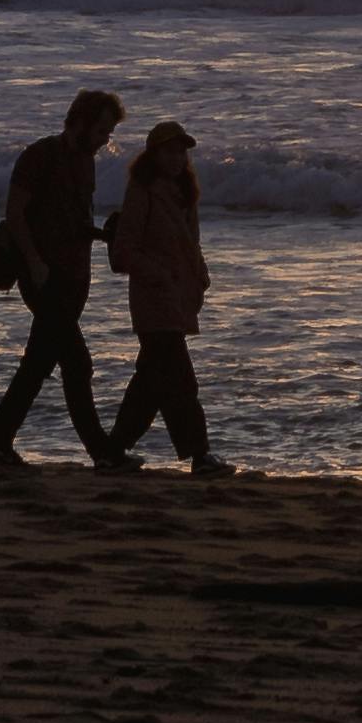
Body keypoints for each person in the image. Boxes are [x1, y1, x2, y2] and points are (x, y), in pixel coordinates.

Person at [0, 89, 125, 467]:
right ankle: (103, 454)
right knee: (77, 363)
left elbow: (74, 223)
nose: (105, 140)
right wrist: (34, 262)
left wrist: (103, 235)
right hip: (43, 278)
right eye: (101, 130)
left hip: (75, 279)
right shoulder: (39, 156)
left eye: (108, 133)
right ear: (79, 122)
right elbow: (15, 214)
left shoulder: (86, 163)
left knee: (39, 363)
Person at [102, 118, 222, 476]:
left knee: (153, 382)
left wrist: (200, 276)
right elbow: (124, 251)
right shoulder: (142, 190)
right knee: (180, 381)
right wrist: (160, 274)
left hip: (179, 298)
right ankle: (199, 456)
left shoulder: (185, 192)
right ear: (154, 154)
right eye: (169, 151)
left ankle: (112, 452)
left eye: (181, 152)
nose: (176, 158)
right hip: (153, 299)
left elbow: (192, 244)